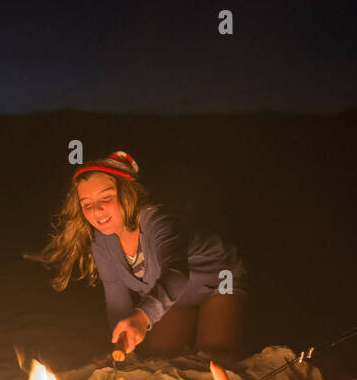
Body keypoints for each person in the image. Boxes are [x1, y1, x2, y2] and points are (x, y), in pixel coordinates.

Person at [27, 151, 248, 359]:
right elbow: (116, 296)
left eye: (106, 198)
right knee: (156, 359)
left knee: (214, 359)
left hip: (217, 284)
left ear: (126, 193)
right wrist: (120, 345)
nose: (96, 211)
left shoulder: (155, 220)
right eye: (87, 204)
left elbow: (176, 273)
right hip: (175, 297)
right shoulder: (102, 241)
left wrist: (143, 316)